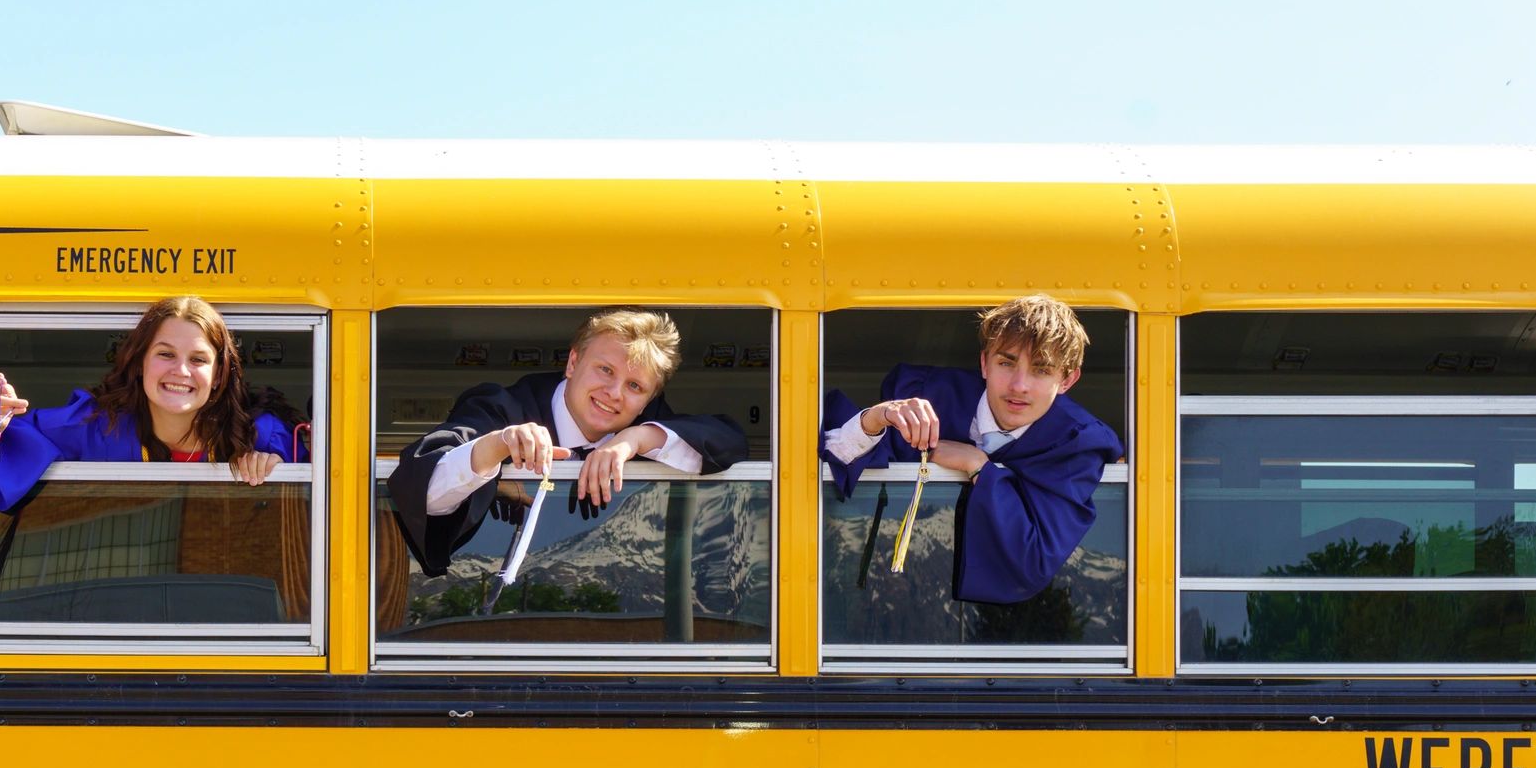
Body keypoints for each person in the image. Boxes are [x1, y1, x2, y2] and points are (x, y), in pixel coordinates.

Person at [386, 309, 749, 577]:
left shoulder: (646, 423)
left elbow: (728, 443)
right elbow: (425, 493)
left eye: (635, 386)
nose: (614, 394)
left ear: (648, 399)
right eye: (605, 370)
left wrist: (634, 439)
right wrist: (497, 445)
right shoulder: (500, 407)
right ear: (573, 362)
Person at [818, 295, 1121, 604]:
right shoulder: (925, 395)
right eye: (1006, 362)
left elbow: (1034, 556)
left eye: (1042, 370)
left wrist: (977, 466)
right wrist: (877, 417)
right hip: (878, 592)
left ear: (1068, 379)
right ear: (983, 363)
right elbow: (836, 457)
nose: (1019, 386)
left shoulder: (1078, 443)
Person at [0, 296, 299, 536]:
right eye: (166, 354)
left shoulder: (261, 437)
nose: (181, 371)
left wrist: (275, 468)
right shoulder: (95, 427)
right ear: (140, 364)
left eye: (199, 360)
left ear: (219, 374)